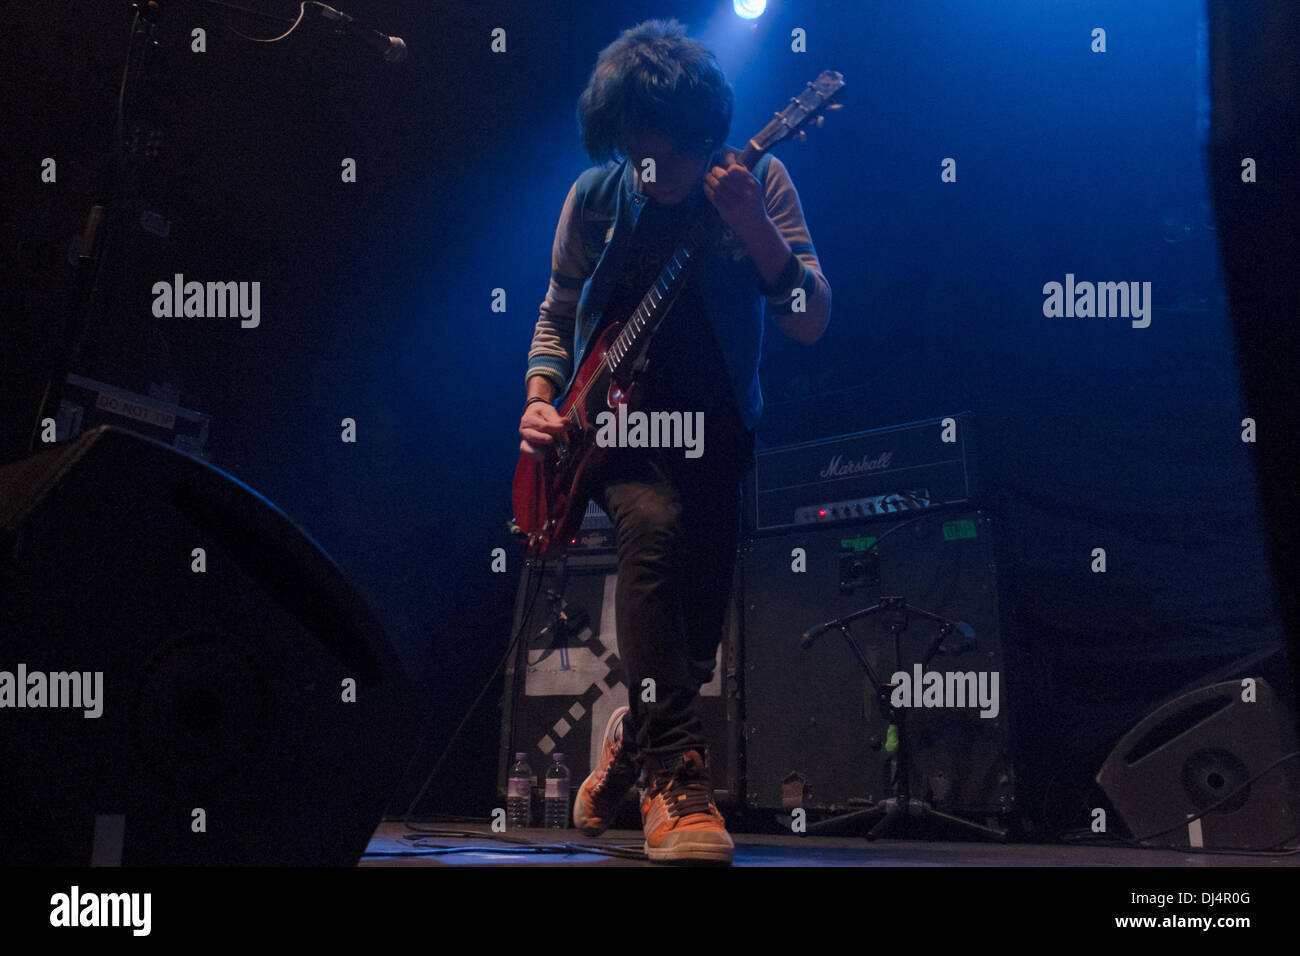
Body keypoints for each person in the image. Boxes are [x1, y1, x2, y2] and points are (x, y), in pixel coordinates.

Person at [517, 19, 830, 864]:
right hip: (615, 432)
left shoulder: (758, 180)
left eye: (669, 158)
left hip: (718, 430)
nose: (653, 176)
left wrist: (754, 229)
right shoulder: (594, 198)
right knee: (650, 533)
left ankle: (631, 738)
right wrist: (542, 397)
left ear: (708, 136)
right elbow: (556, 310)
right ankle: (676, 779)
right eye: (637, 156)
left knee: (695, 639)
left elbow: (809, 317)